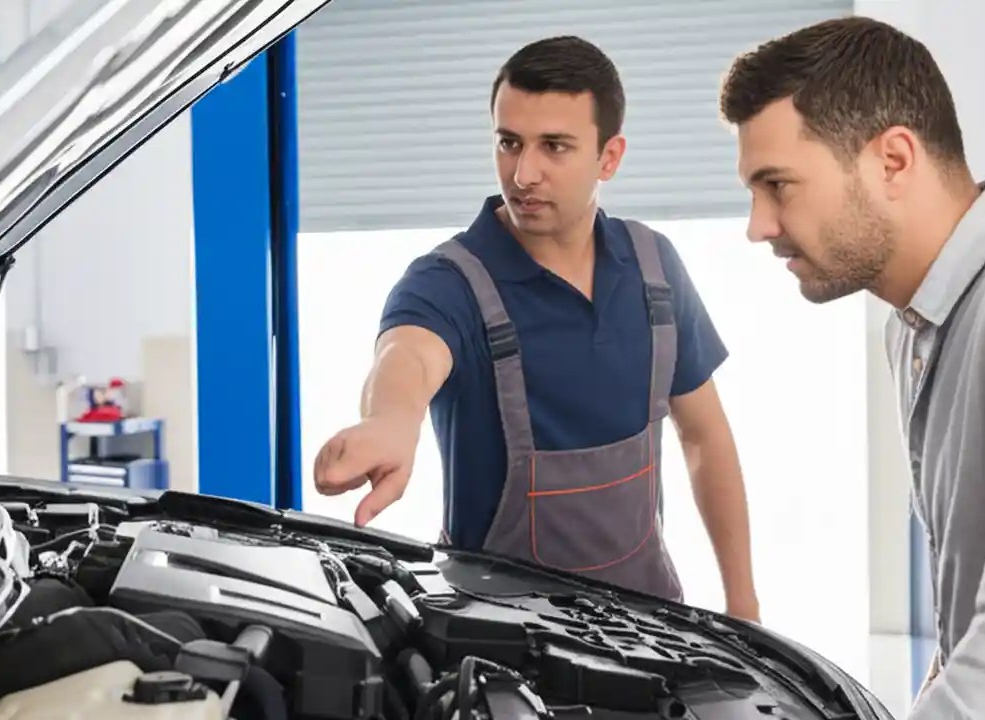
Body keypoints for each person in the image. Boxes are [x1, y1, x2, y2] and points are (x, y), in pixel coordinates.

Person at [313, 36, 760, 620]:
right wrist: (391, 421)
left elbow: (705, 437)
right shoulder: (450, 281)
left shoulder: (656, 269)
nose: (523, 173)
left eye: (554, 146)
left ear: (609, 157)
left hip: (649, 632)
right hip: (499, 650)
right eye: (509, 143)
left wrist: (743, 602)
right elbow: (408, 355)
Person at [719, 15, 985, 718]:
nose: (757, 224)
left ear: (892, 160)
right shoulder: (913, 329)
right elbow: (976, 604)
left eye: (778, 185)